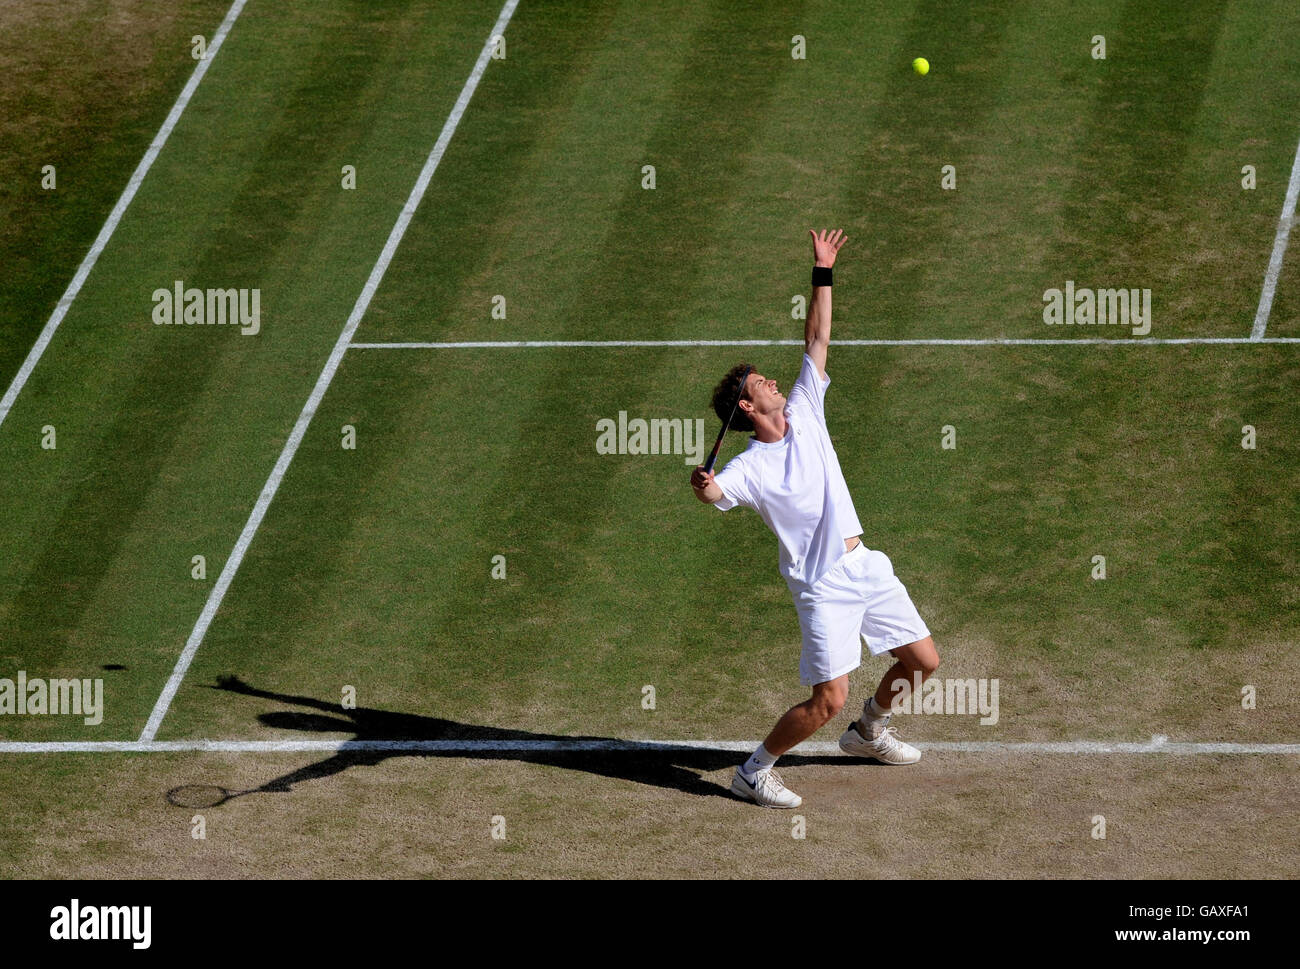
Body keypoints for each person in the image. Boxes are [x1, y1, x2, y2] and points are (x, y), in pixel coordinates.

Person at [690, 229, 940, 808]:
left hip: (864, 563)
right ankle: (754, 771)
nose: (774, 380)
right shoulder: (751, 467)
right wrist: (702, 486)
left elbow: (817, 336)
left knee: (922, 660)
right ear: (749, 408)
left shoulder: (805, 407)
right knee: (827, 698)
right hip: (821, 585)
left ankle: (869, 731)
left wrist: (822, 271)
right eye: (760, 384)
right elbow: (714, 493)